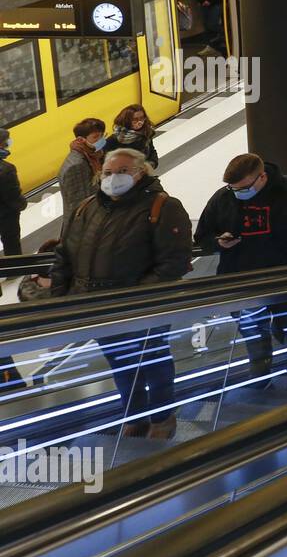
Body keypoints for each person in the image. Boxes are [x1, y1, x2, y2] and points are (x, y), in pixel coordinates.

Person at [51, 148, 192, 438]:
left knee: (152, 360)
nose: (113, 177)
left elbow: (174, 262)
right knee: (122, 365)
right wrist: (60, 302)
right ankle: (135, 416)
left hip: (143, 308)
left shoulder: (162, 207)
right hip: (96, 308)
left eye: (123, 171)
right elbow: (64, 254)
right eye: (107, 172)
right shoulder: (86, 207)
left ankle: (162, 417)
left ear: (142, 173)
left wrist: (135, 298)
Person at [195, 153, 287, 388]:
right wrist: (218, 242)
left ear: (262, 177)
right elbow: (202, 235)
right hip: (241, 284)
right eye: (232, 188)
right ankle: (261, 376)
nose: (237, 193)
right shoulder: (224, 197)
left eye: (243, 188)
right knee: (253, 334)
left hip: (286, 282)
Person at [59, 118, 107, 215]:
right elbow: (79, 204)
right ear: (81, 139)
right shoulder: (76, 166)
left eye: (102, 135)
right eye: (96, 137)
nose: (101, 140)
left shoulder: (96, 155)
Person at [0, 128, 25, 256]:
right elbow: (12, 196)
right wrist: (22, 204)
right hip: (6, 215)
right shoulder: (7, 169)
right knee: (11, 242)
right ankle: (16, 272)